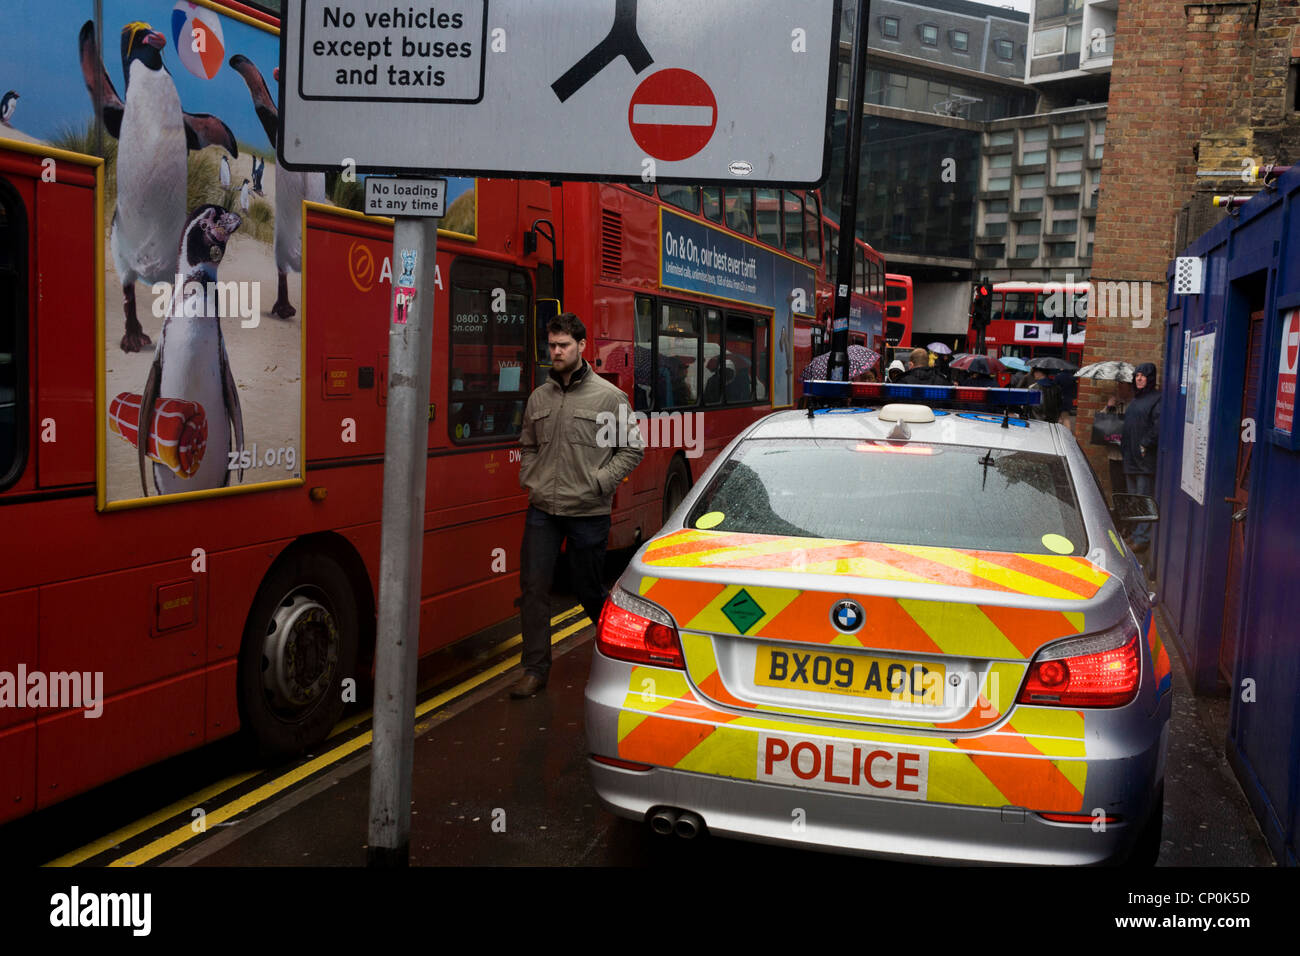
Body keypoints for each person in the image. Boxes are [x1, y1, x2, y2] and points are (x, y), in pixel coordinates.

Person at [513, 313, 645, 697]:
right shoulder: (539, 397)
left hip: (587, 512)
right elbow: (529, 444)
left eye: (563, 345)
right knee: (534, 589)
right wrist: (530, 477)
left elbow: (632, 449)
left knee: (588, 589)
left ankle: (622, 656)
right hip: (543, 510)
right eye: (552, 345)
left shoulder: (608, 397)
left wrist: (599, 483)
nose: (556, 352)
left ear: (582, 346)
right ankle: (534, 670)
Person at [1120, 362, 1160, 554]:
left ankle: (1142, 539)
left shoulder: (1156, 399)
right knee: (1135, 500)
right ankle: (1135, 534)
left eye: (1143, 376)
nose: (1139, 378)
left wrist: (1145, 443)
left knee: (1143, 500)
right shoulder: (1136, 400)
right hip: (1130, 458)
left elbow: (1157, 426)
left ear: (1150, 378)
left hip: (1144, 460)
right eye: (1137, 376)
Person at [1103, 380, 1134, 508]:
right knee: (1116, 487)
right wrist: (1110, 406)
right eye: (1118, 386)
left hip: (1128, 455)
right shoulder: (1114, 404)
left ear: (1130, 388)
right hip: (1114, 455)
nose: (1119, 389)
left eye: (1122, 386)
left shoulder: (1134, 405)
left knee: (1128, 490)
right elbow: (1101, 423)